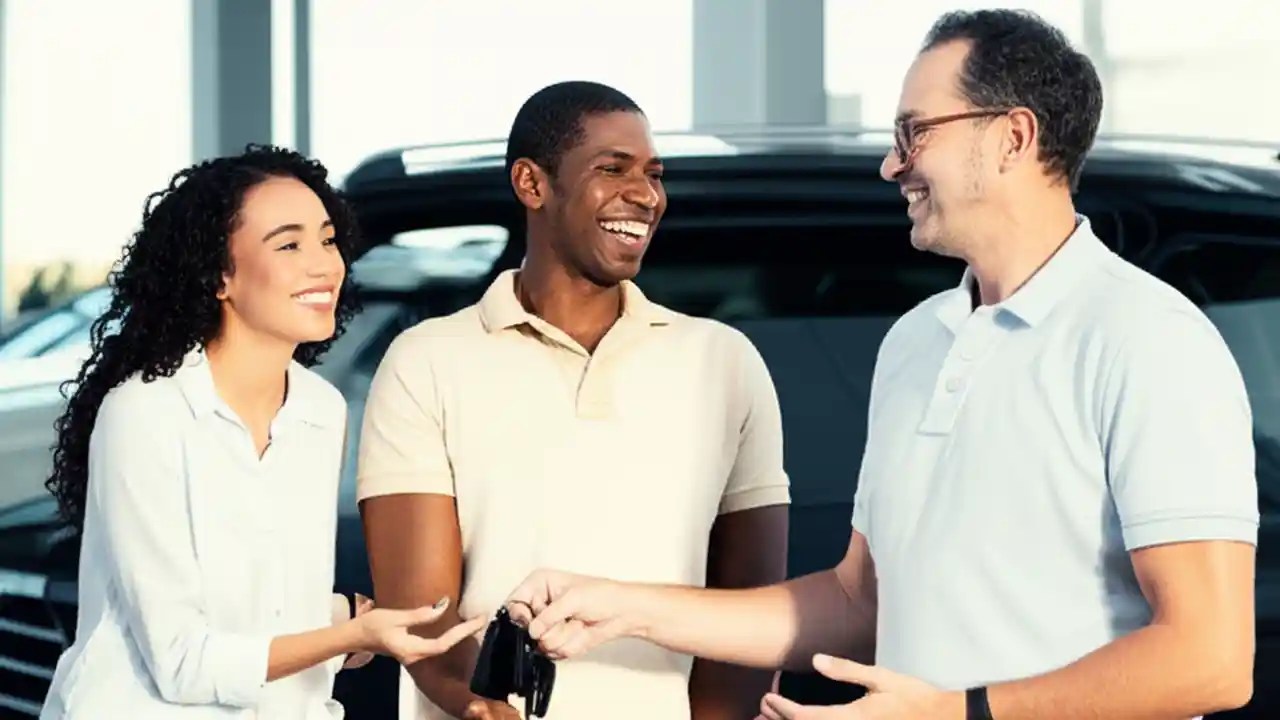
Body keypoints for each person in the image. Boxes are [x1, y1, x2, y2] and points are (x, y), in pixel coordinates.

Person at [504, 11, 1259, 720]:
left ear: (1013, 137)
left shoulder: (1147, 338)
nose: (891, 164)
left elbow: (1211, 658)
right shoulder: (914, 342)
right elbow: (859, 604)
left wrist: (958, 713)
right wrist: (627, 607)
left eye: (914, 131)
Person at [355, 80, 791, 719]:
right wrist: (483, 710)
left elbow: (749, 611)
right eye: (612, 169)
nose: (644, 195)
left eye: (653, 174)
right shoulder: (427, 360)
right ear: (532, 184)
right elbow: (425, 620)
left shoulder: (723, 361)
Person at [39, 145, 486, 719]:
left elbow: (257, 600)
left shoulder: (320, 410)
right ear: (219, 275)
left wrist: (338, 615)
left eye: (327, 240)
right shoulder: (146, 413)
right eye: (289, 244)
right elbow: (181, 663)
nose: (325, 265)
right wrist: (355, 636)